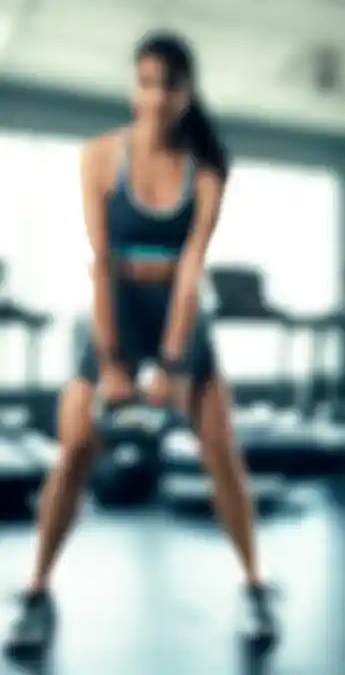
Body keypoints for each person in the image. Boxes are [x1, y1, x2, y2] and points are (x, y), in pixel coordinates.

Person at [5, 32, 278, 654]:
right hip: (117, 307)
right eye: (146, 82)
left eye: (170, 85)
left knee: (222, 453)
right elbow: (100, 261)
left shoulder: (206, 170)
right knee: (74, 451)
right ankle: (35, 592)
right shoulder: (101, 156)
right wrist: (111, 362)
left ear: (187, 93)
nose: (157, 97)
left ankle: (256, 586)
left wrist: (175, 364)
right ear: (135, 86)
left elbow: (190, 273)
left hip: (176, 310)